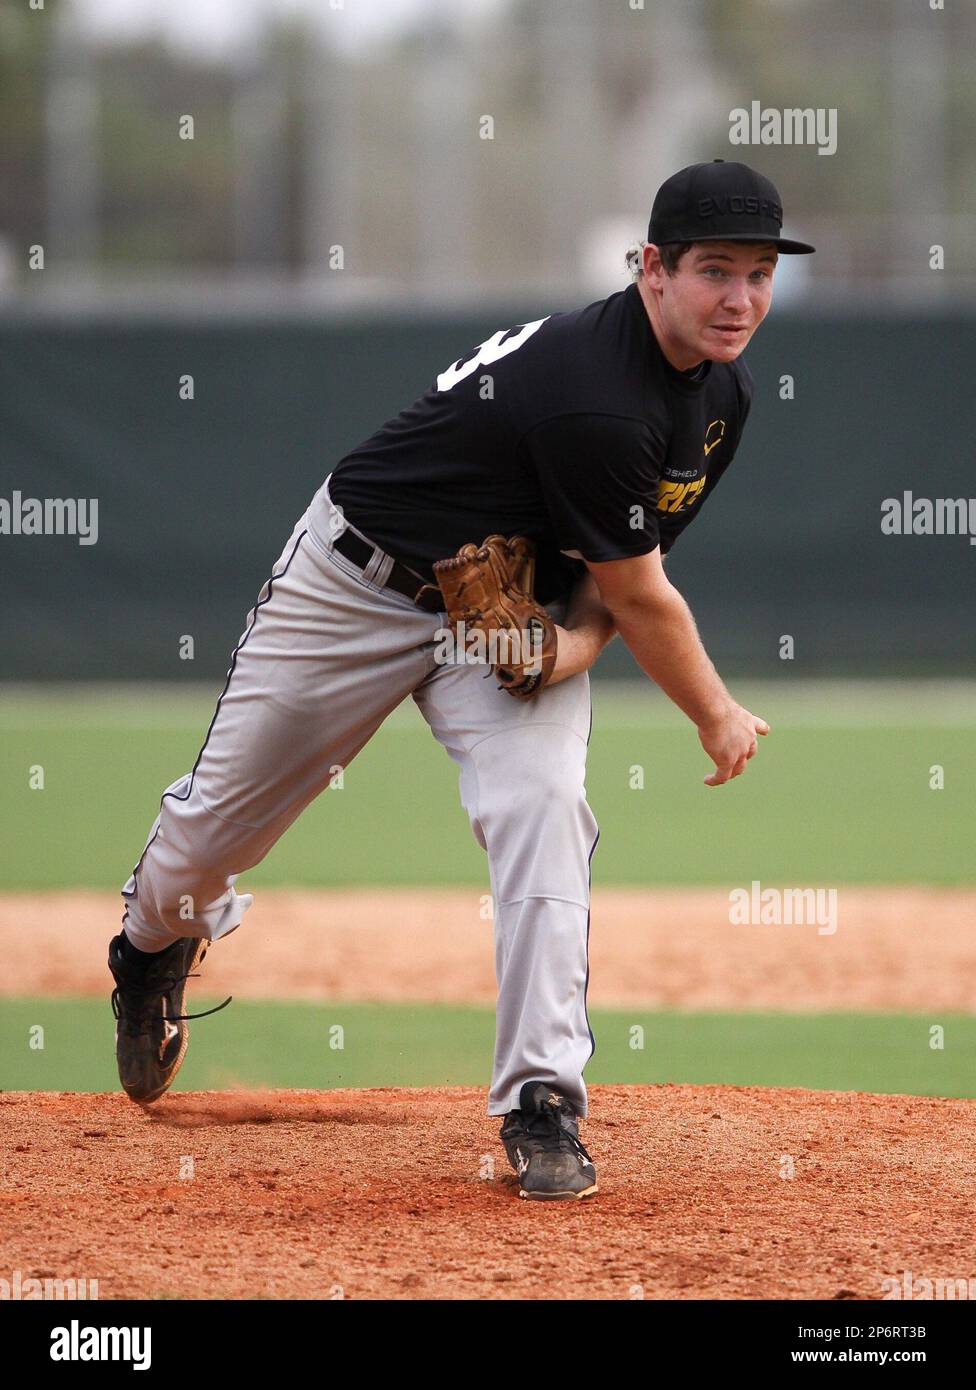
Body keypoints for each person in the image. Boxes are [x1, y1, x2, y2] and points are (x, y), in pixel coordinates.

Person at [108, 159, 814, 1201]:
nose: (741, 299)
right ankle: (147, 946)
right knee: (217, 830)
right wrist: (714, 713)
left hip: (503, 621)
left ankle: (542, 1102)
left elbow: (621, 581)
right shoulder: (594, 392)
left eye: (759, 274)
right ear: (652, 267)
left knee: (544, 803)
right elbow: (645, 598)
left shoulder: (721, 397)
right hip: (356, 584)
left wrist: (557, 653)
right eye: (716, 270)